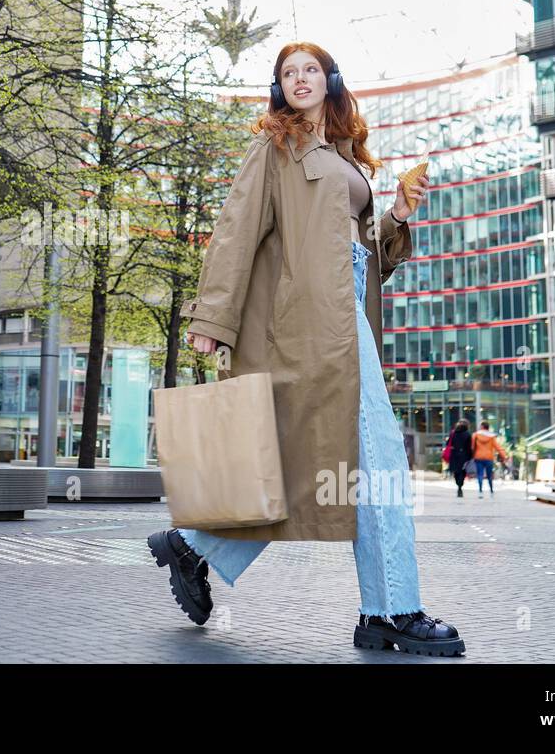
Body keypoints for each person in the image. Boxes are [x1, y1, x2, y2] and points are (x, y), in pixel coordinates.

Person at [148, 42, 464, 657]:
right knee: (373, 463)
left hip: (348, 318)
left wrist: (396, 214)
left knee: (318, 470)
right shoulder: (276, 145)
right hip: (300, 325)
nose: (299, 79)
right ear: (279, 87)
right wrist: (213, 317)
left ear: (330, 80)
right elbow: (237, 230)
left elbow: (369, 258)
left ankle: (192, 546)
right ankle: (392, 610)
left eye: (310, 70)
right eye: (288, 72)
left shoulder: (345, 158)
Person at [472, 421, 510, 496]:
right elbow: (497, 447)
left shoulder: (475, 435)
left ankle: (480, 491)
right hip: (489, 457)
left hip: (478, 456)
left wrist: (471, 455)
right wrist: (504, 456)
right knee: (489, 475)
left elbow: (472, 447)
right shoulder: (491, 437)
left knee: (480, 474)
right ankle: (491, 490)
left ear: (482, 427)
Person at [446, 418, 474, 498]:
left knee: (456, 472)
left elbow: (448, 443)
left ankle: (458, 485)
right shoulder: (468, 434)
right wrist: (470, 456)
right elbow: (469, 447)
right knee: (462, 471)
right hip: (464, 455)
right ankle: (460, 486)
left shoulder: (453, 433)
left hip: (454, 455)